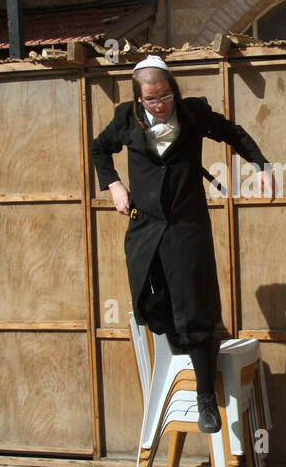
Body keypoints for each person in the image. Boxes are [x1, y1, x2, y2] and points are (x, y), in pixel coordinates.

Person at [89, 55, 272, 433]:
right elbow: (98, 148)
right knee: (148, 298)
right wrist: (114, 184)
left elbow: (233, 133)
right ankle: (181, 346)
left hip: (188, 227)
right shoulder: (126, 118)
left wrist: (262, 166)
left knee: (197, 306)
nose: (160, 105)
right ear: (139, 98)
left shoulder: (193, 114)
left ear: (174, 89)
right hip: (146, 227)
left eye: (165, 96)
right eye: (152, 100)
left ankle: (205, 395)